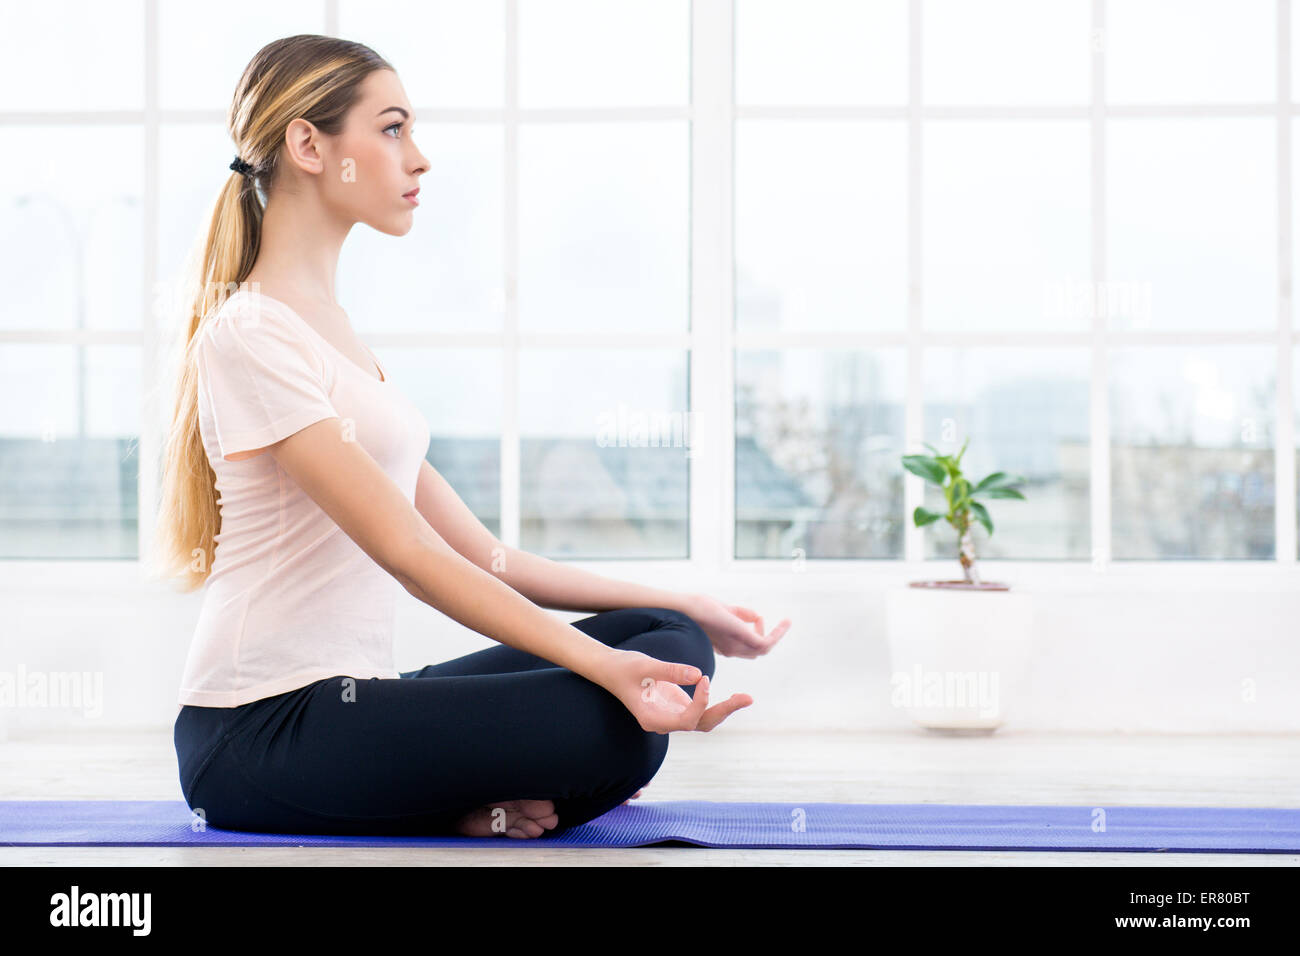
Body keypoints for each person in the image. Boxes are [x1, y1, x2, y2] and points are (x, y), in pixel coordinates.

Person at [149, 34, 790, 838]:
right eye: (392, 129)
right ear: (309, 146)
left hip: (353, 703)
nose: (418, 158)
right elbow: (411, 554)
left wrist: (679, 599)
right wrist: (606, 671)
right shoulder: (250, 335)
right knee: (612, 724)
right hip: (256, 732)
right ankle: (459, 802)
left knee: (669, 641)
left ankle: (460, 803)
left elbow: (488, 559)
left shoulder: (338, 339)